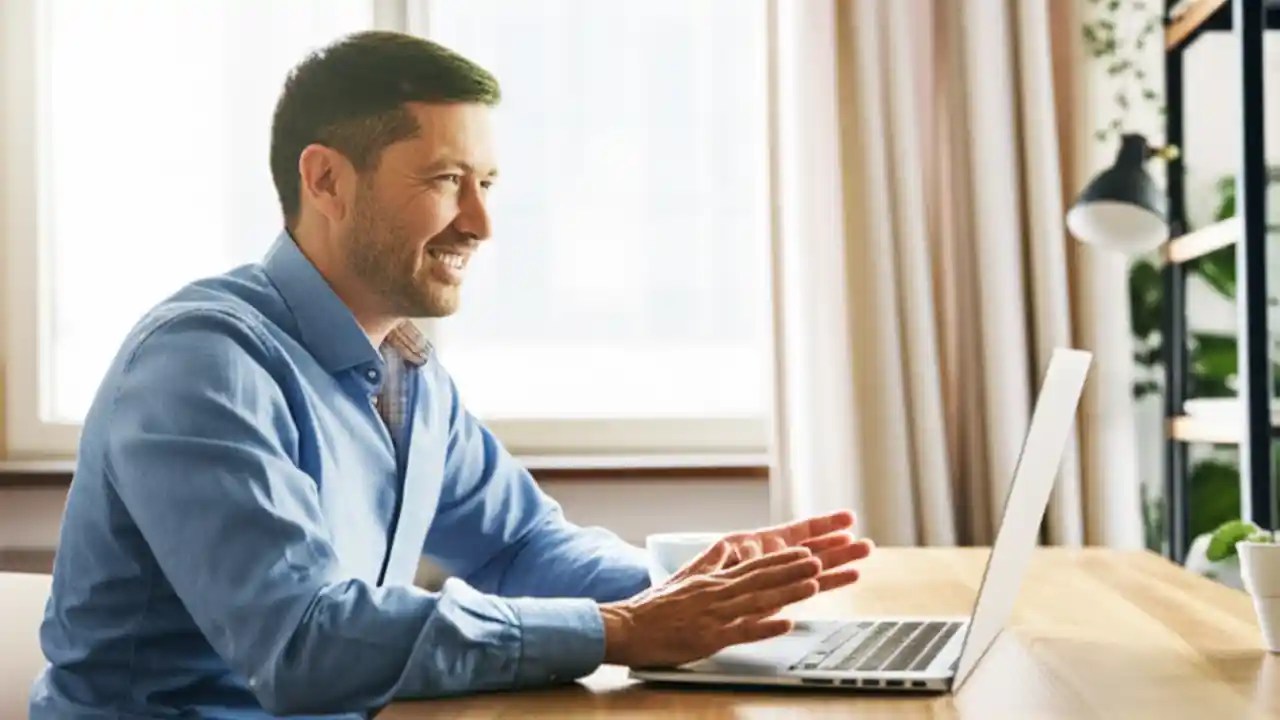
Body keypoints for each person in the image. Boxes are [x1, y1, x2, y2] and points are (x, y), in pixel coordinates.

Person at [29, 31, 873, 719]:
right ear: (326, 179)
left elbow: (517, 541)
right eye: (445, 181)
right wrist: (617, 629)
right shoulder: (201, 366)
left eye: (488, 183)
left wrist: (691, 593)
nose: (481, 221)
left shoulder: (405, 368)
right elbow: (302, 646)